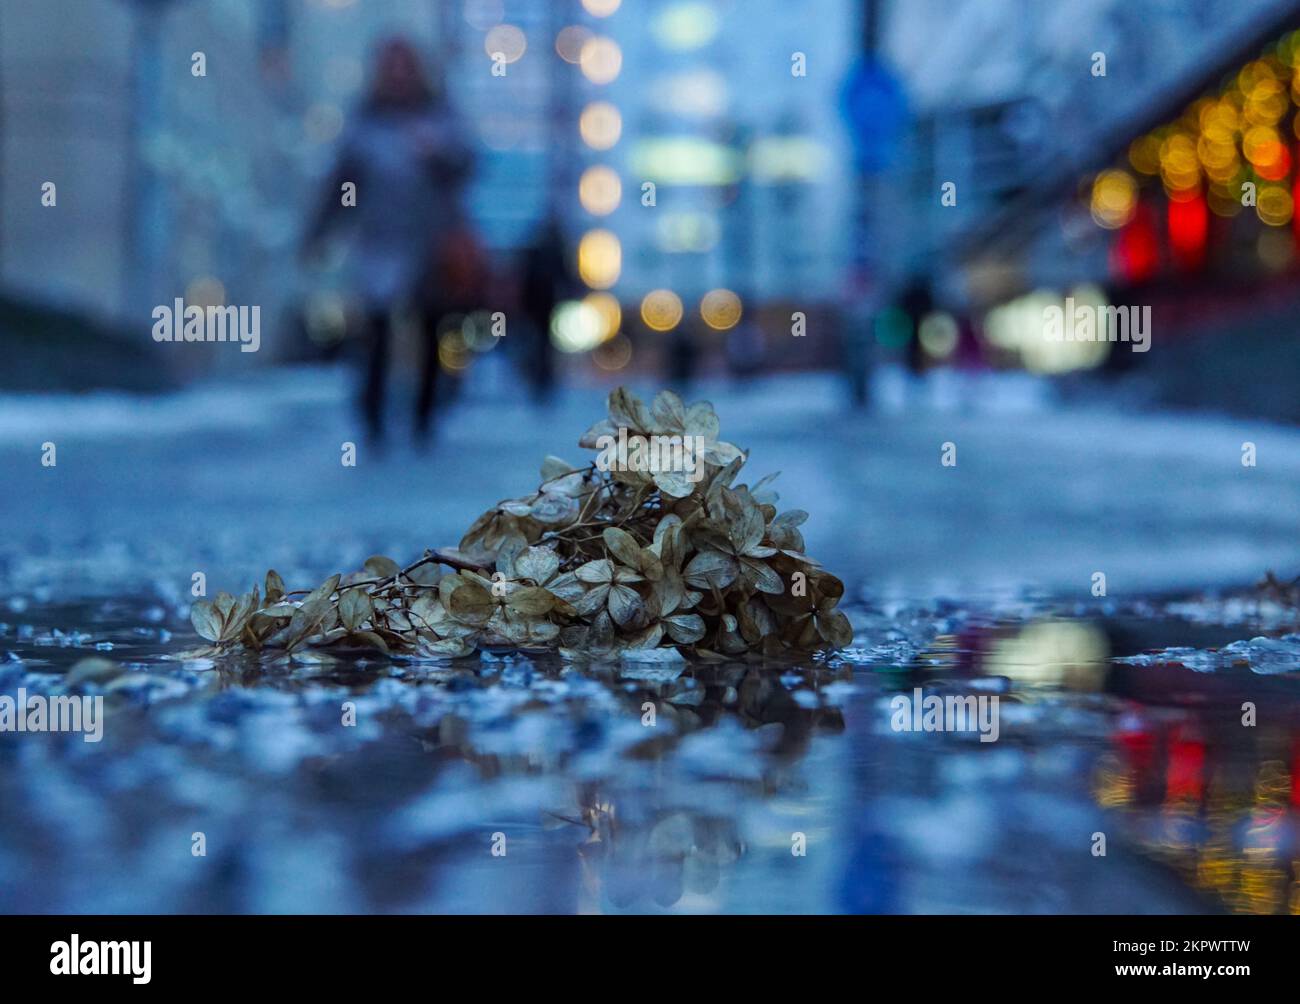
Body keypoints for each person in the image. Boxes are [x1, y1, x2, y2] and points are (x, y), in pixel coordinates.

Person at [303, 38, 475, 449]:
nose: (397, 74)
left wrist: (437, 155)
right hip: (380, 242)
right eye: (390, 65)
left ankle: (424, 419)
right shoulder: (365, 123)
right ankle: (373, 420)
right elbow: (340, 184)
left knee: (431, 328)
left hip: (431, 244)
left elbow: (467, 167)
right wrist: (319, 233)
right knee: (375, 330)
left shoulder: (439, 117)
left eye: (405, 65)